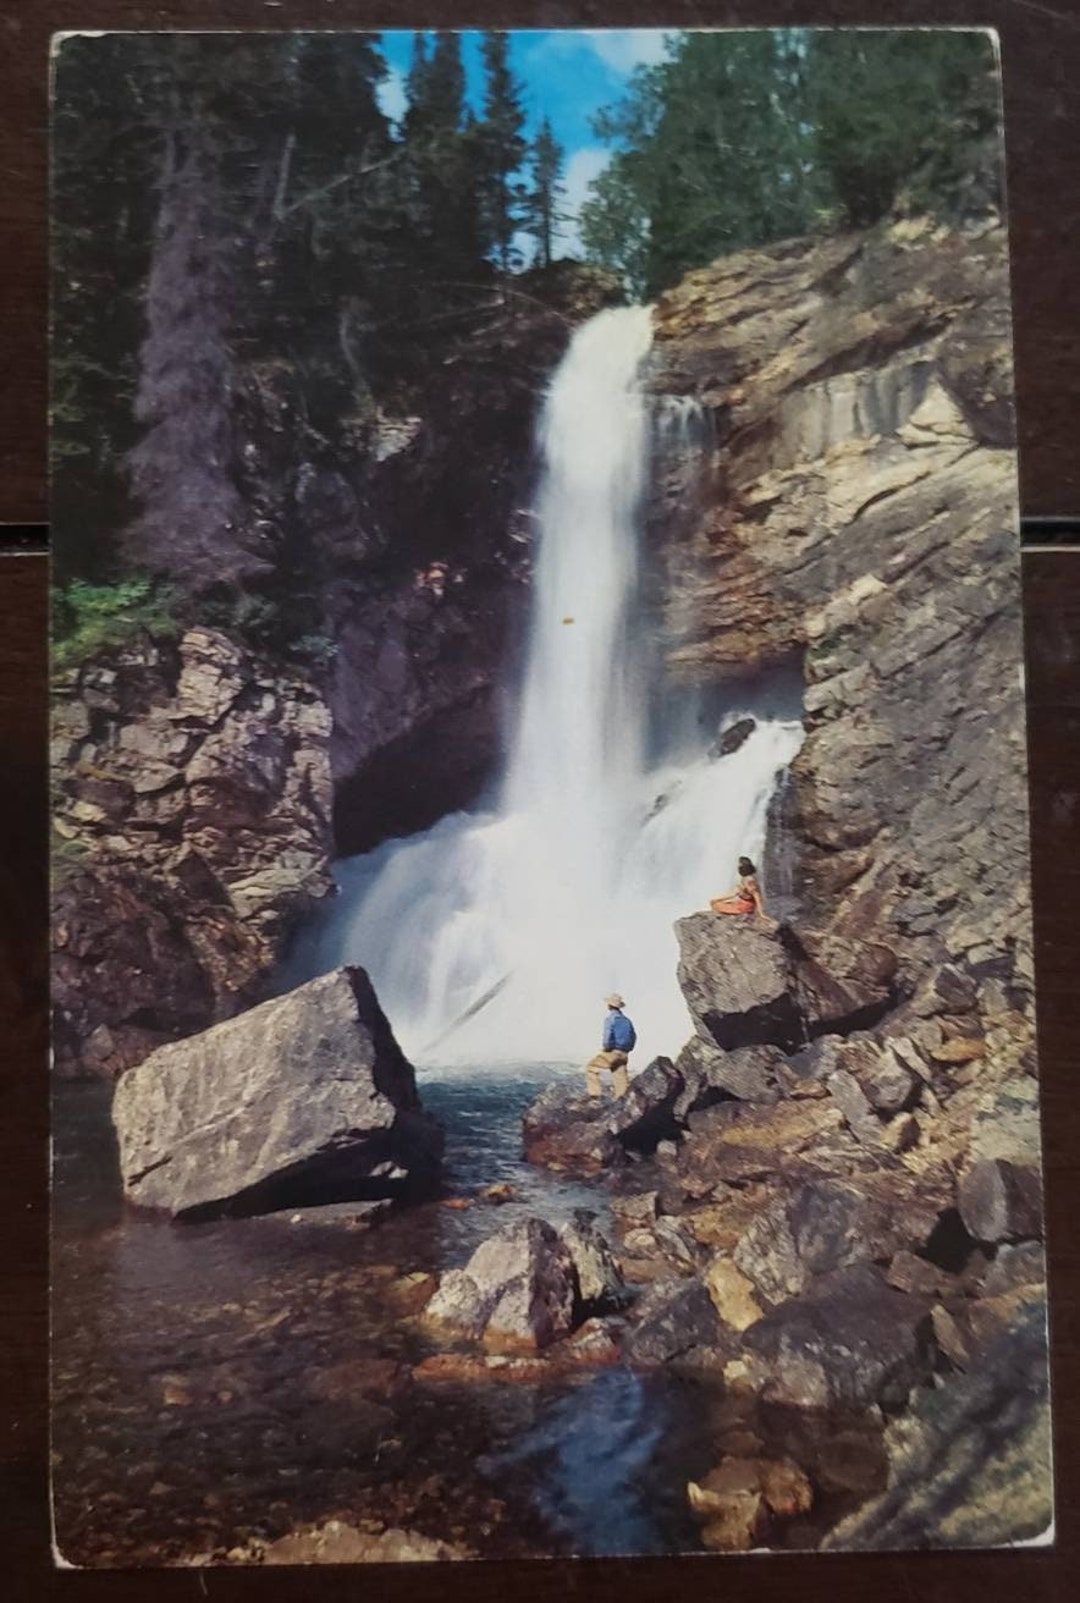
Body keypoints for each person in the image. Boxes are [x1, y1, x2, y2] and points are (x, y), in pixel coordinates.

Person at [585, 994, 636, 1099]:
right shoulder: (627, 1020)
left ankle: (595, 1095)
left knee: (591, 1067)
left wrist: (606, 1049)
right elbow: (634, 1036)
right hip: (624, 1054)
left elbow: (607, 1038)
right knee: (620, 1079)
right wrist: (627, 1049)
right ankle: (620, 1100)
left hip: (614, 1052)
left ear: (609, 1006)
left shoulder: (610, 1019)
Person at [710, 856, 775, 925]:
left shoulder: (749, 881)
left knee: (716, 905)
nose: (738, 867)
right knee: (715, 903)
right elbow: (735, 894)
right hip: (743, 903)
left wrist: (761, 913)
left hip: (745, 907)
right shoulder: (746, 879)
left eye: (739, 865)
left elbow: (756, 895)